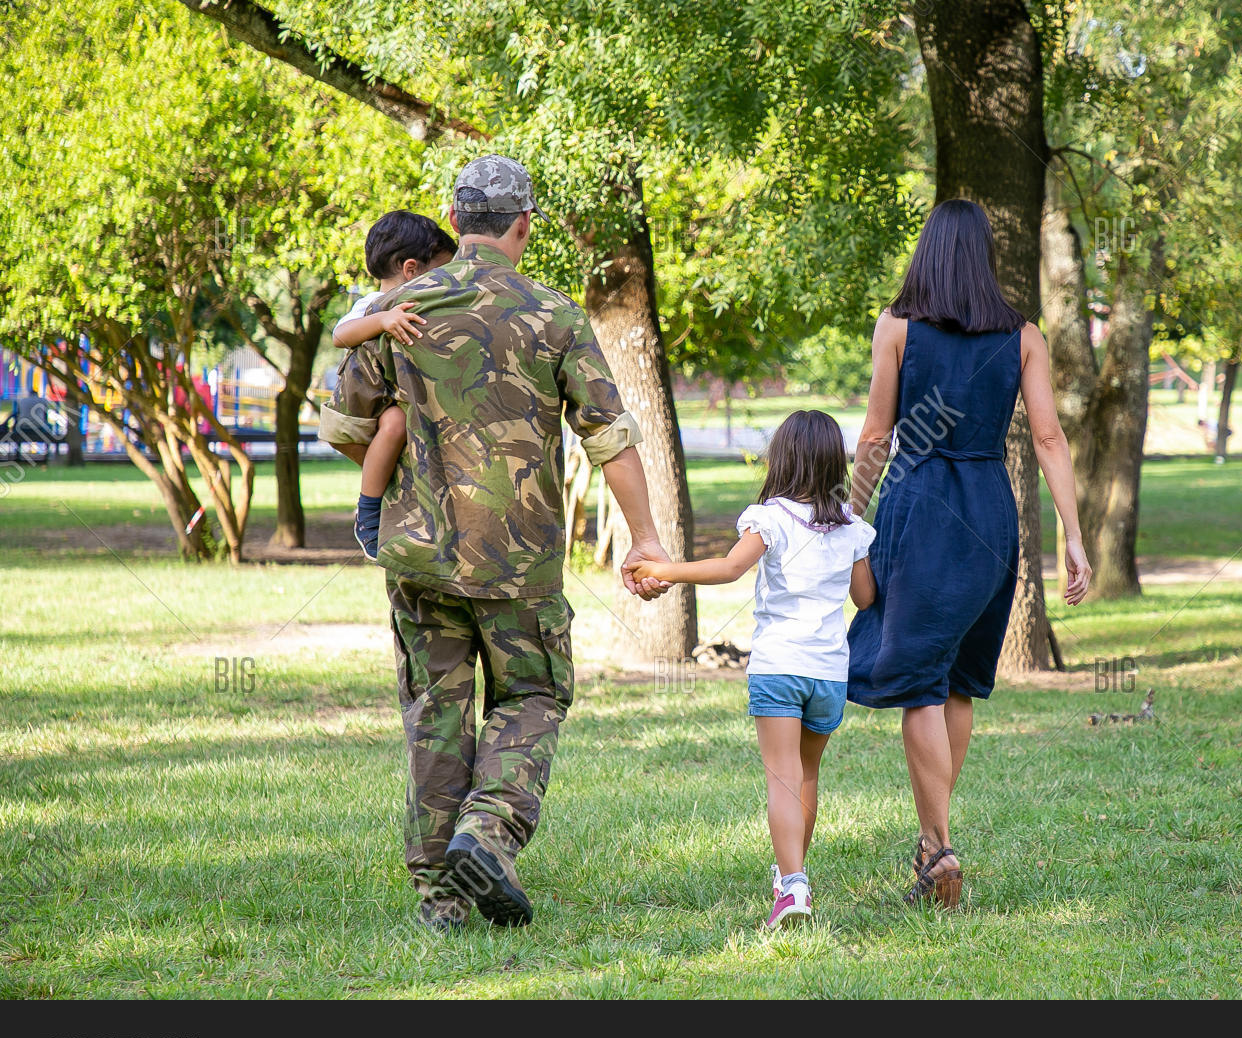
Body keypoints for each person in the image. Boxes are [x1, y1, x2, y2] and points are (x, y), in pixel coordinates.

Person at [319, 155, 672, 931]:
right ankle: (487, 834)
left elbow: (343, 427)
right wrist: (645, 537)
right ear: (523, 224)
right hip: (522, 562)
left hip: (418, 558)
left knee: (437, 711)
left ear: (455, 217)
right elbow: (609, 438)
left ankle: (440, 896)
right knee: (533, 695)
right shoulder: (553, 315)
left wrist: (410, 479)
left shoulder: (398, 306)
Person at [845, 199, 1092, 908]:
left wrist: (845, 518)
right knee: (957, 682)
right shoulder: (1022, 336)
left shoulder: (896, 327)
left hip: (920, 506)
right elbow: (1048, 439)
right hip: (990, 511)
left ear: (926, 251)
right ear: (984, 256)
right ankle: (933, 844)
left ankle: (939, 845)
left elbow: (874, 437)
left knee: (921, 681)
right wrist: (1072, 536)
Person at [626, 410, 875, 929]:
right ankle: (794, 875)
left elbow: (729, 568)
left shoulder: (772, 517)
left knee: (782, 779)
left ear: (782, 458)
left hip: (780, 665)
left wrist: (662, 570)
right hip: (829, 672)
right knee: (806, 776)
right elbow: (866, 596)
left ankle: (793, 887)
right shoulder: (851, 527)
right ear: (835, 462)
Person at [329, 210, 457, 558]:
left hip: (388, 402)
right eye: (441, 271)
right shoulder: (373, 304)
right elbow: (340, 335)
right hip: (362, 412)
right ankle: (368, 513)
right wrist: (383, 319)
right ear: (412, 269)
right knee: (397, 422)